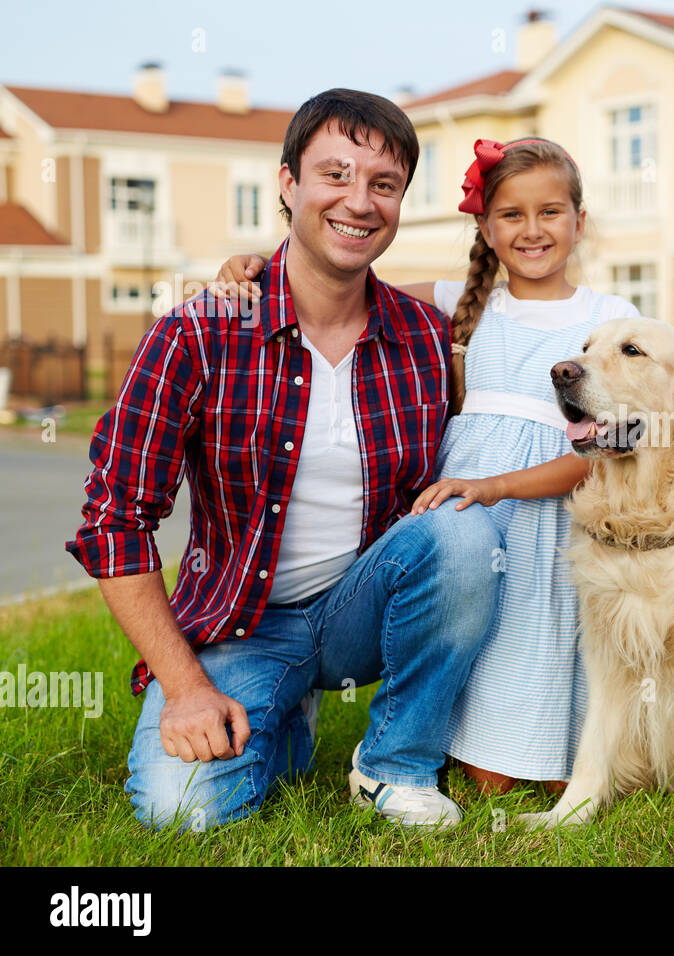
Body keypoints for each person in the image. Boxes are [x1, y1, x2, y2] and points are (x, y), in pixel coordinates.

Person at [68, 89, 503, 833]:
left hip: (367, 606)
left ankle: (394, 762)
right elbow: (116, 520)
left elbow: (536, 302)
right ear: (287, 184)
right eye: (335, 175)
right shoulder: (199, 333)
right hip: (244, 622)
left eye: (383, 185)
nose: (359, 203)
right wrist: (186, 689)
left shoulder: (429, 338)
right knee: (183, 815)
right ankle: (280, 711)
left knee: (466, 533)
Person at [217, 138, 639, 794]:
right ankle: (432, 743)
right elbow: (335, 289)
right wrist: (248, 269)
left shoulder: (609, 318)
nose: (533, 230)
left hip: (549, 519)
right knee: (479, 677)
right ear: (485, 229)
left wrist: (497, 486)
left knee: (542, 630)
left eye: (551, 212)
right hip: (467, 522)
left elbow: (601, 451)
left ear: (580, 222)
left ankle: (549, 746)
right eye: (511, 215)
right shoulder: (453, 304)